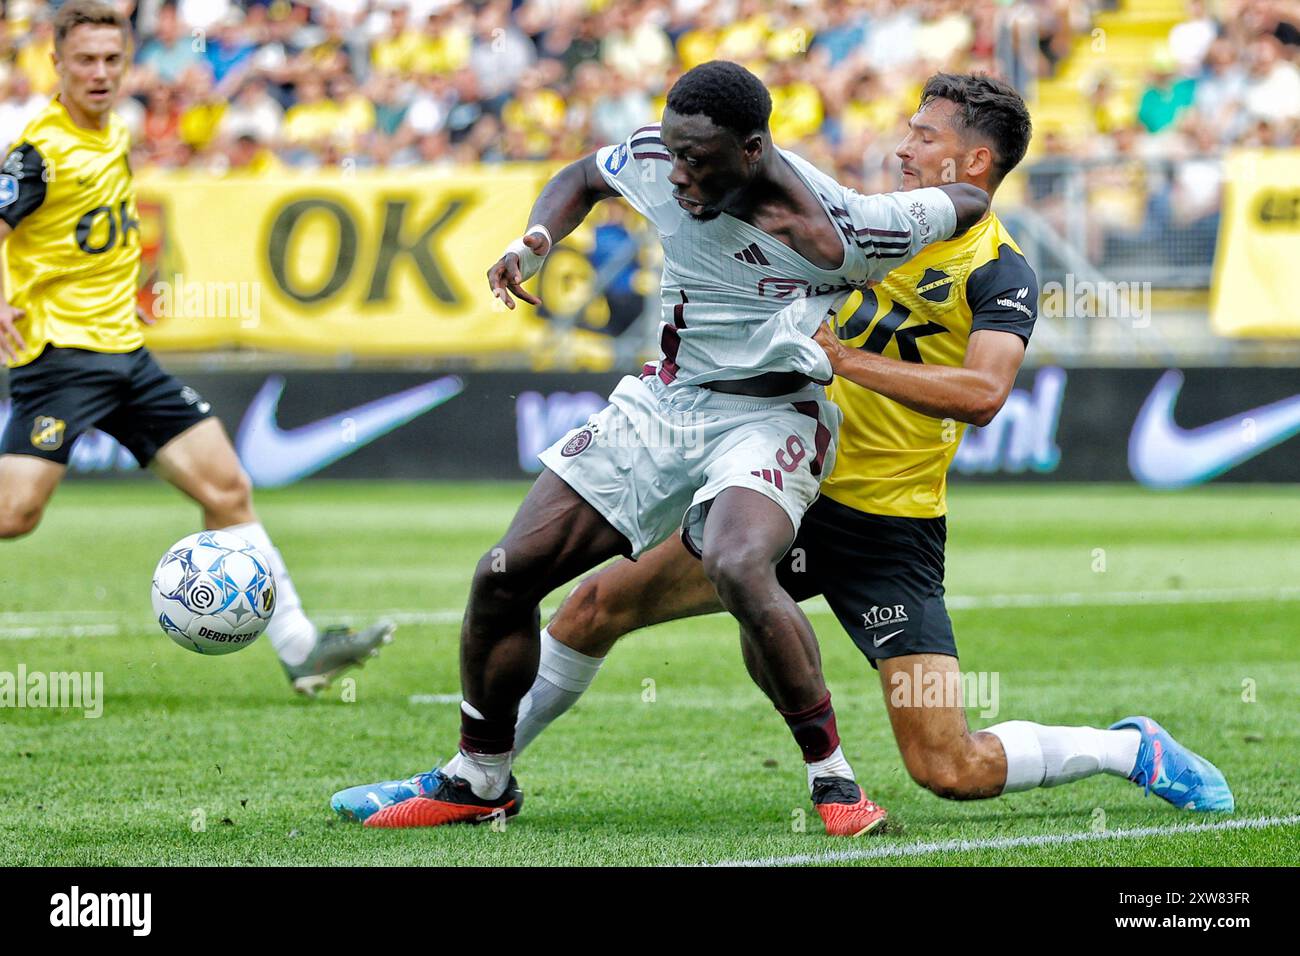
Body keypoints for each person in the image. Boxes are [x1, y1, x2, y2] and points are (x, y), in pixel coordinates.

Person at [347, 72, 1233, 825]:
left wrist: (842, 357)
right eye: (907, 131)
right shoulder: (856, 216)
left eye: (923, 139)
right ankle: (475, 781)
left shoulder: (999, 272)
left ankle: (1125, 746)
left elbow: (986, 394)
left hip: (886, 528)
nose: (902, 148)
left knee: (947, 766)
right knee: (588, 609)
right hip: (781, 478)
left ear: (972, 165)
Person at [0, 0, 393, 697]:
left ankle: (302, 648)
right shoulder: (39, 149)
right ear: (55, 64)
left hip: (128, 356)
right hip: (61, 356)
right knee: (14, 515)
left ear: (128, 64)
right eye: (84, 60)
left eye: (112, 59)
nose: (99, 72)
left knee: (228, 488)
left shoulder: (114, 132)